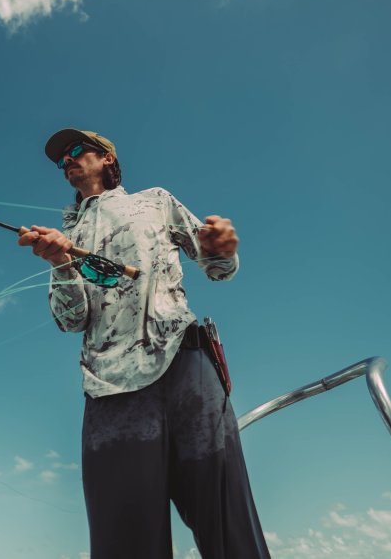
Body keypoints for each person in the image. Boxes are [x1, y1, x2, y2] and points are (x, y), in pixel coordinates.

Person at [18, 129, 271, 559]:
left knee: (230, 530)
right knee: (124, 544)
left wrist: (223, 250)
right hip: (109, 389)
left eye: (77, 151)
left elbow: (216, 268)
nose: (69, 161)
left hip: (185, 362)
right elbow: (71, 319)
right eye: (62, 160)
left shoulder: (155, 200)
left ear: (107, 159)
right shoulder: (67, 232)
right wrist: (60, 262)